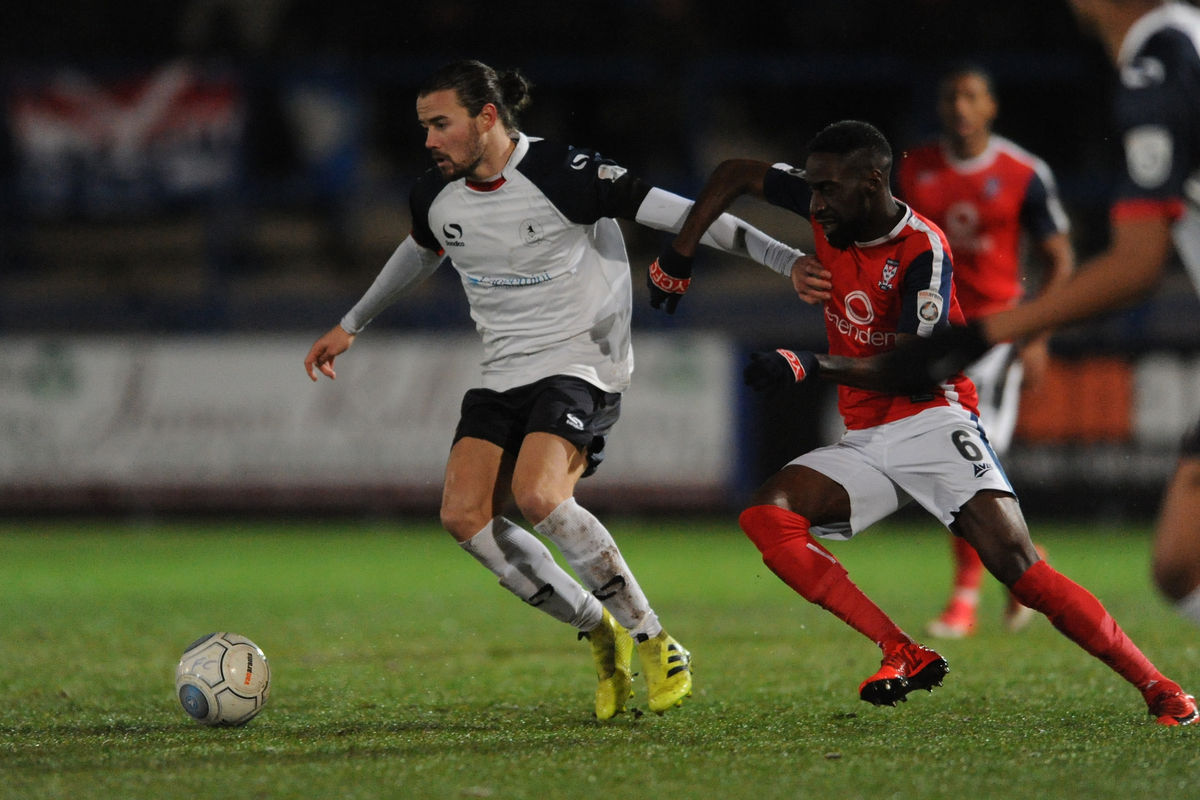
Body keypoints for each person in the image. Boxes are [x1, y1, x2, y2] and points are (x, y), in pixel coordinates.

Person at [649, 118, 1196, 724]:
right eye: (812, 188)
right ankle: (901, 650)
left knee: (1020, 570)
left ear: (872, 181)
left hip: (933, 418)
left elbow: (911, 370)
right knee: (767, 514)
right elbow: (733, 174)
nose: (814, 202)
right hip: (864, 435)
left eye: (828, 190)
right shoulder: (829, 206)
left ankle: (1161, 688)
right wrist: (681, 251)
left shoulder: (922, 249)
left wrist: (810, 365)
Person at [303, 60, 804, 718]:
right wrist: (351, 324)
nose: (428, 140)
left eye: (440, 124)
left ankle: (655, 639)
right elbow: (421, 249)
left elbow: (689, 217)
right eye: (423, 125)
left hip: (581, 362)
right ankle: (602, 631)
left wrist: (786, 259)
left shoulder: (566, 174)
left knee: (539, 494)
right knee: (463, 518)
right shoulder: (434, 195)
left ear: (486, 119)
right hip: (501, 371)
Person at [896, 0, 1200, 627]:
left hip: (993, 338)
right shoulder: (1179, 44)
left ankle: (974, 596)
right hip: (980, 332)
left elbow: (1136, 264)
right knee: (1180, 565)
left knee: (968, 469)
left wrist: (990, 332)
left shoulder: (1162, 57)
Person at [895, 63, 1076, 639]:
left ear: (991, 107)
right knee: (949, 469)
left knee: (966, 466)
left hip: (996, 338)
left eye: (972, 95)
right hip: (932, 338)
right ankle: (1026, 559)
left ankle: (964, 602)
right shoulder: (912, 170)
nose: (960, 106)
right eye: (950, 95)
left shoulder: (1023, 172)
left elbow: (1060, 258)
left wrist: (1039, 334)